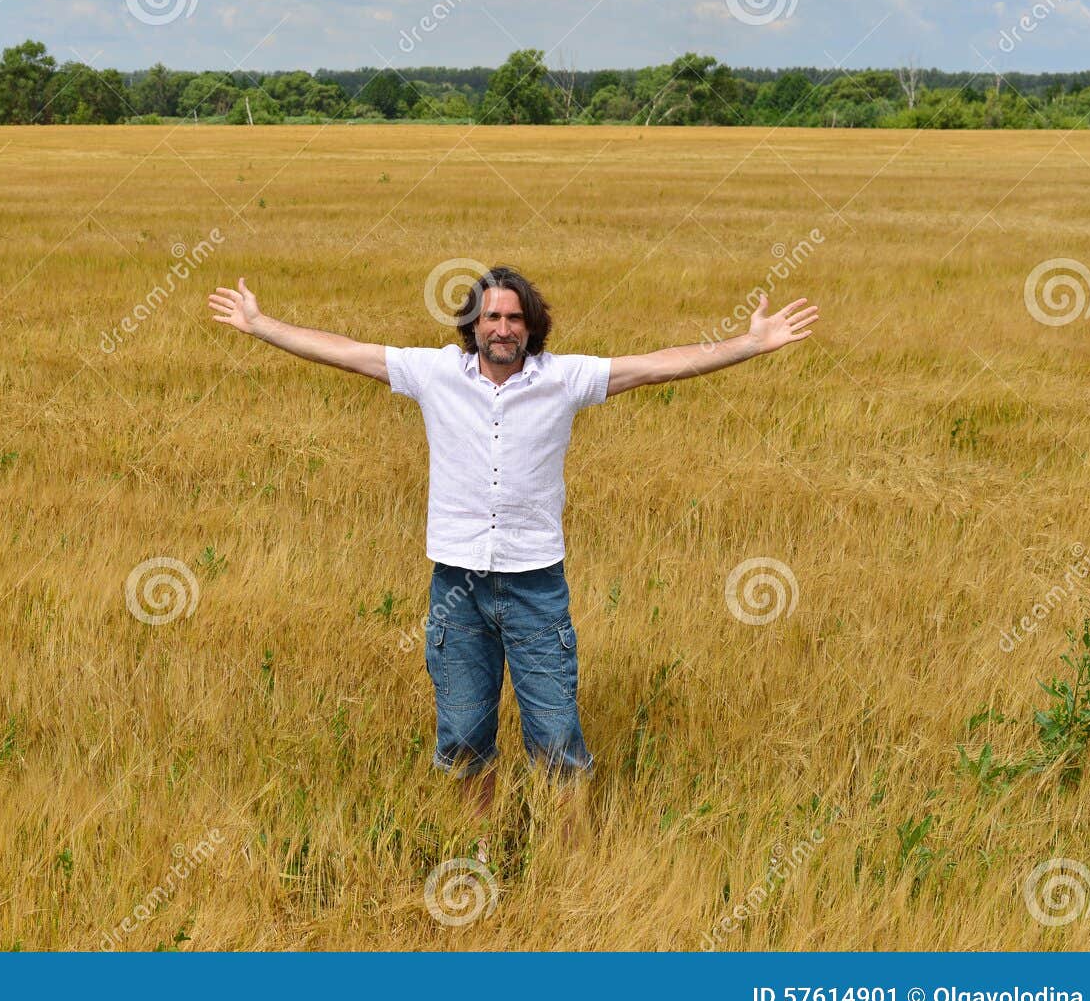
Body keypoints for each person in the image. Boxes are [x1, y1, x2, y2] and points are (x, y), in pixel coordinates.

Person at [207, 265, 819, 836]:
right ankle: (477, 845)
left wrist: (748, 344)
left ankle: (569, 859)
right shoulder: (434, 372)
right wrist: (261, 326)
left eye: (515, 318)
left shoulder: (564, 378)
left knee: (555, 737)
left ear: (532, 325)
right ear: (472, 325)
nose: (503, 328)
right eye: (492, 318)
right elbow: (342, 350)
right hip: (457, 588)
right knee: (464, 738)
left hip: (535, 588)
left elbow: (660, 365)